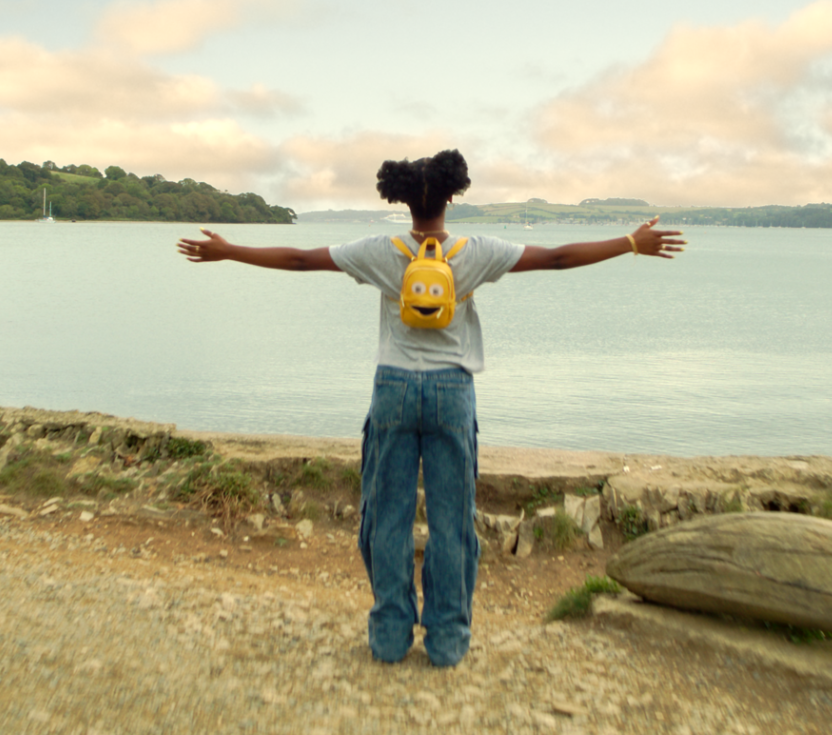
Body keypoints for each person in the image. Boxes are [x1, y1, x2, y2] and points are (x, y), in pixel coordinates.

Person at [176, 149, 683, 667]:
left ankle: (391, 635)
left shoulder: (380, 249)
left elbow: (301, 259)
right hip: (452, 392)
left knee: (387, 518)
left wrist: (230, 251)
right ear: (451, 197)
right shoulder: (476, 250)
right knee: (452, 522)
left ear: (402, 202)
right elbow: (556, 258)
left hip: (393, 389)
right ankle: (446, 641)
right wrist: (630, 244)